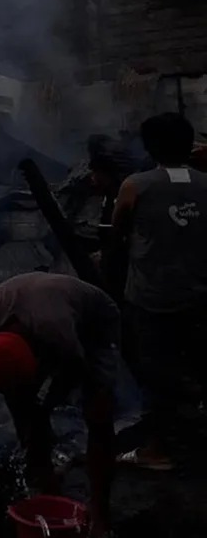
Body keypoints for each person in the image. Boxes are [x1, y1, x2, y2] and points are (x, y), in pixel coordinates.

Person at [0, 272, 119, 538]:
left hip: (94, 320)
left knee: (98, 411)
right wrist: (21, 400)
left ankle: (100, 513)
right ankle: (45, 485)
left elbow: (72, 373)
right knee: (25, 409)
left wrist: (46, 402)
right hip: (34, 310)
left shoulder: (58, 333)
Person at [109, 112, 207, 472]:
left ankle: (157, 449)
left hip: (151, 300)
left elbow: (117, 235)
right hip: (199, 296)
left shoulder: (135, 185)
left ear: (149, 147)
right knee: (197, 365)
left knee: (154, 375)